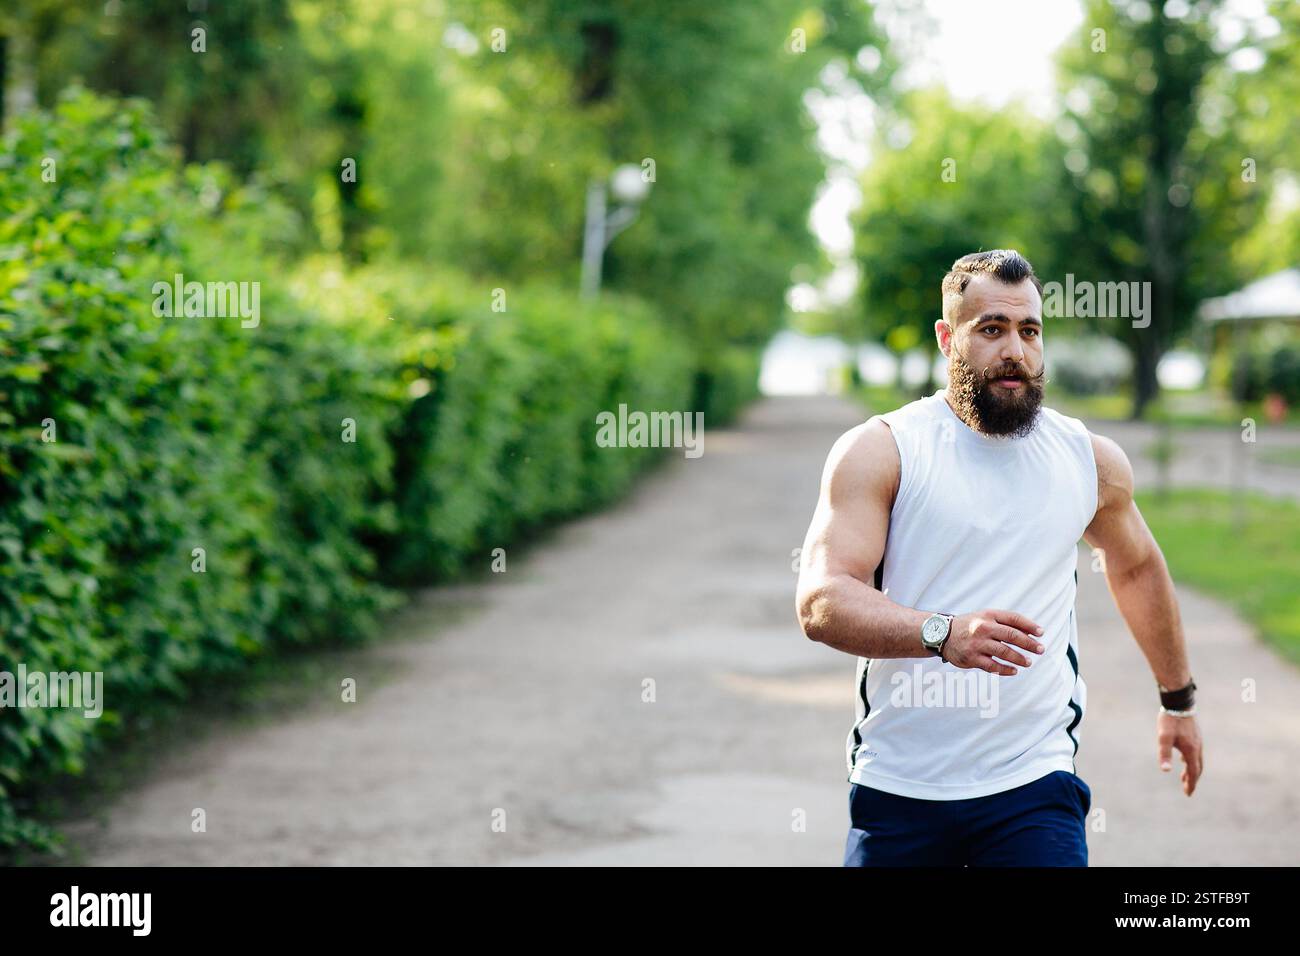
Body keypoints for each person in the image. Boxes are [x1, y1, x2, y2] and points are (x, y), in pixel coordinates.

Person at [795, 249, 1203, 867]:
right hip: (901, 784)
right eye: (991, 329)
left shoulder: (1085, 460)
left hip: (1034, 785)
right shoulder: (884, 451)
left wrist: (1178, 700)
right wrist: (943, 633)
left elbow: (1136, 566)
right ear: (946, 337)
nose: (1014, 349)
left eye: (1028, 330)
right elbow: (823, 599)